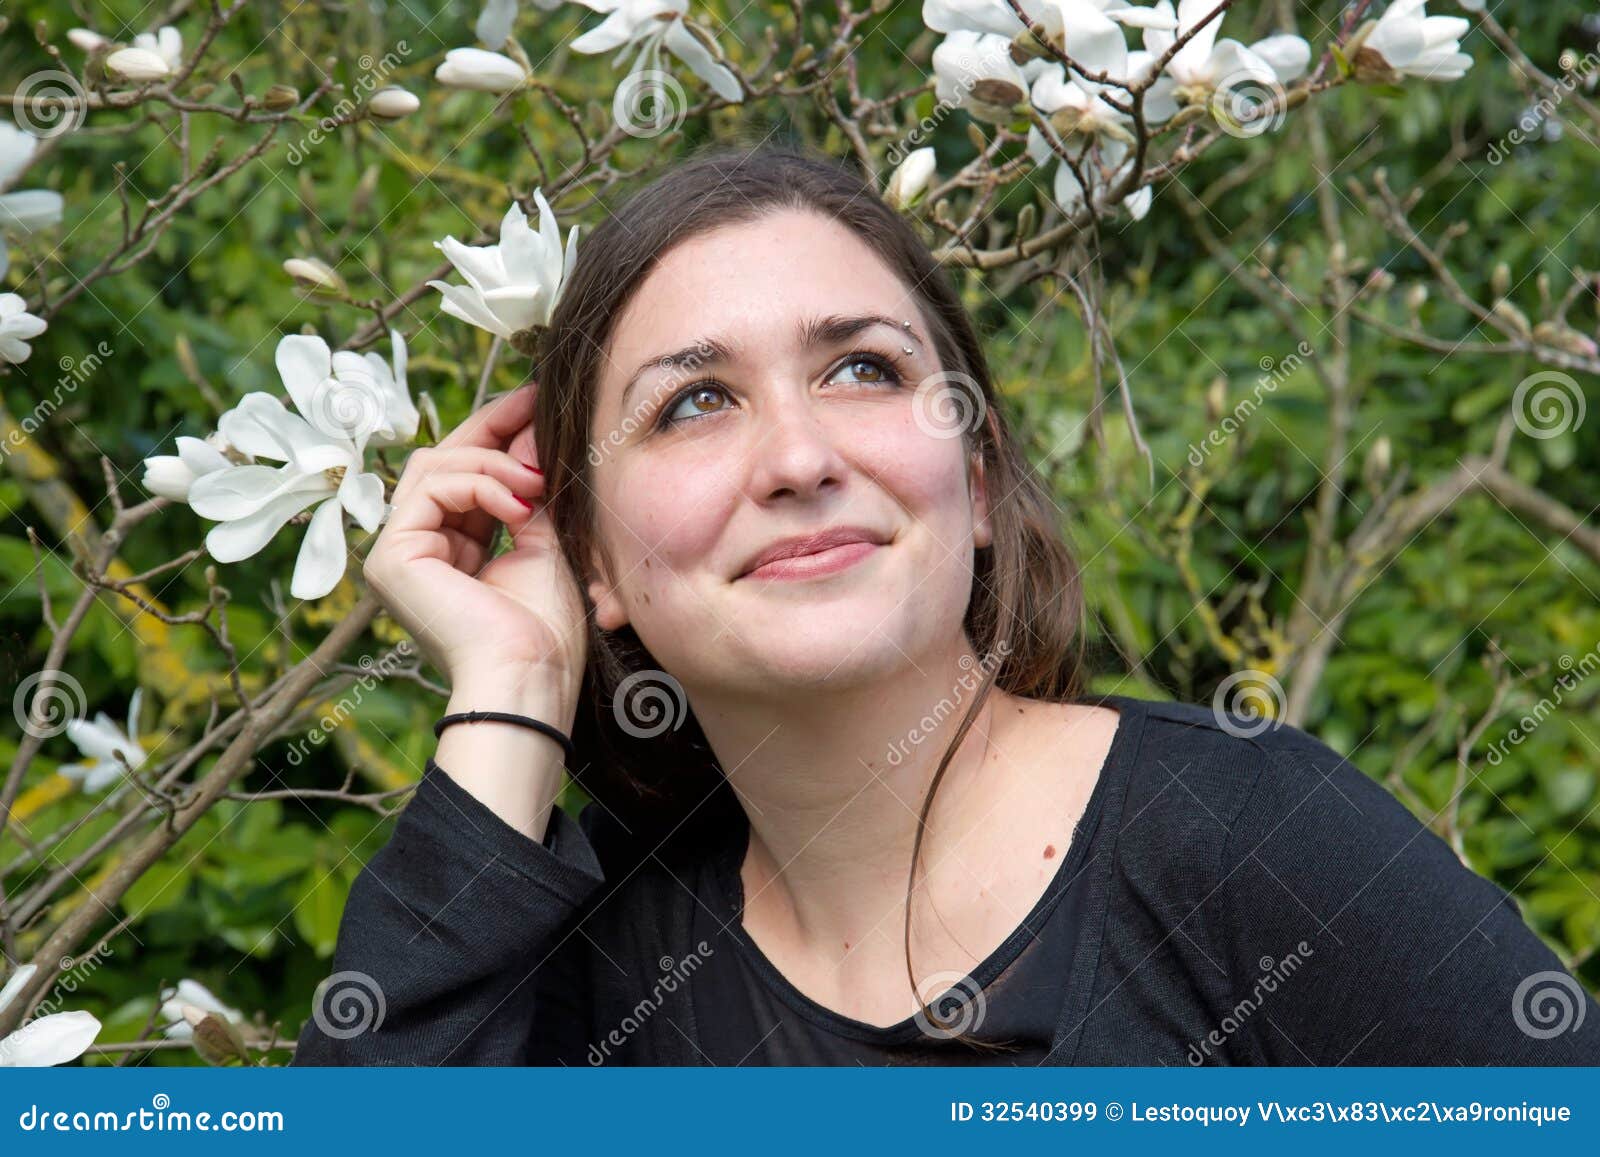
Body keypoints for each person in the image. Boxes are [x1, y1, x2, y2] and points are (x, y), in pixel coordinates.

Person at [292, 144, 1600, 1067]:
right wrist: (514, 679)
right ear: (596, 560)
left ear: (973, 478)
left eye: (862, 366)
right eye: (696, 399)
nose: (799, 458)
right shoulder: (609, 982)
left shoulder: (1247, 845)